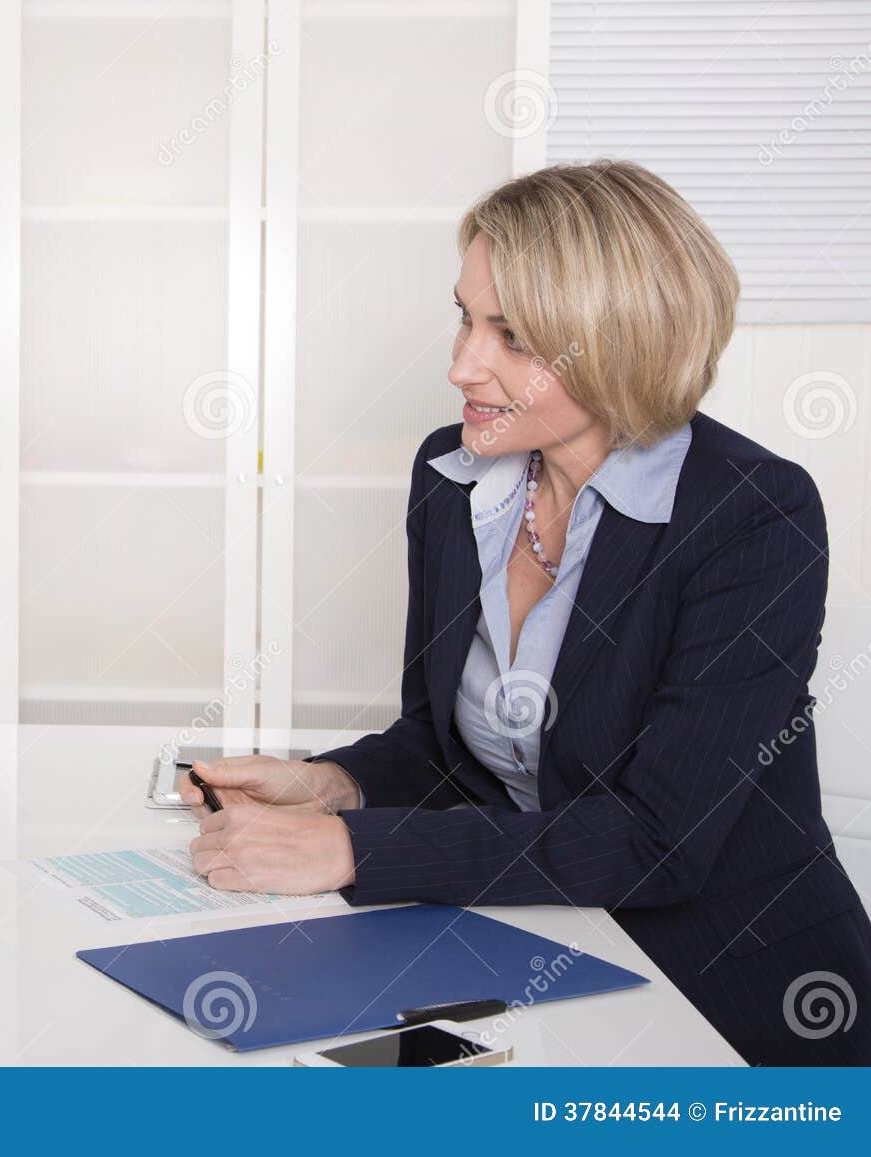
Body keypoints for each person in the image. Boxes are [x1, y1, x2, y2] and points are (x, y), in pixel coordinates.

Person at [182, 160, 871, 1066]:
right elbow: (442, 747)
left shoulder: (752, 514)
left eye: (511, 336)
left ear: (618, 342)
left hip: (727, 993)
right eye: (466, 318)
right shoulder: (454, 475)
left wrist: (352, 847)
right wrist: (332, 785)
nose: (461, 364)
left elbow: (659, 839)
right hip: (535, 949)